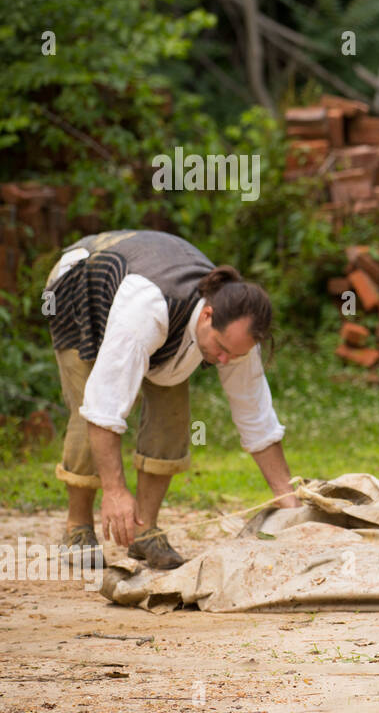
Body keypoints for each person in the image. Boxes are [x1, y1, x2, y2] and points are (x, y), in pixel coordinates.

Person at [43, 229, 300, 570]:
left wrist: (290, 504)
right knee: (86, 406)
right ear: (207, 315)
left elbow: (257, 420)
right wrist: (116, 492)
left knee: (173, 415)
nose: (223, 360)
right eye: (221, 349)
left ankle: (144, 531)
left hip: (157, 313)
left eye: (232, 355)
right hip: (81, 287)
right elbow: (103, 409)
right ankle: (77, 528)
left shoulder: (235, 333)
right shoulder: (148, 310)